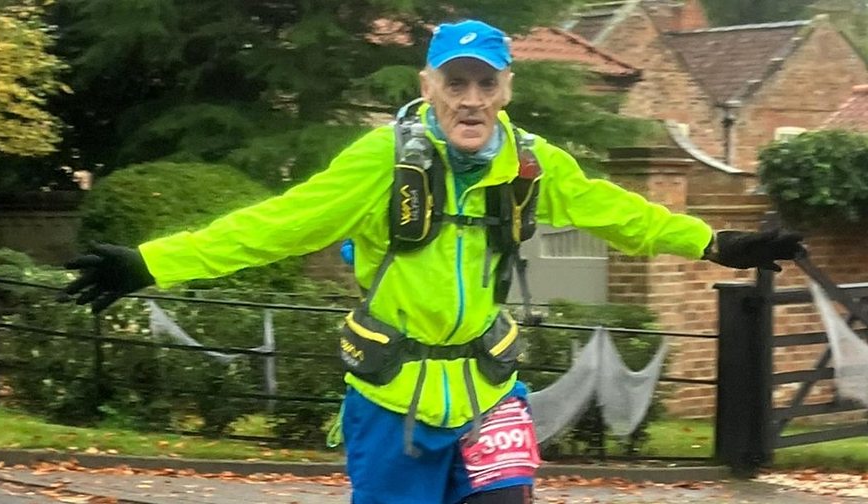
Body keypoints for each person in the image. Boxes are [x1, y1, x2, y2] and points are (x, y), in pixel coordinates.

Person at [63, 19, 803, 504]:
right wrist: (149, 264)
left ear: (507, 90)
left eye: (487, 83)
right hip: (394, 403)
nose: (472, 99)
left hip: (488, 391)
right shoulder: (379, 160)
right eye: (457, 83)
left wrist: (716, 243)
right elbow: (274, 226)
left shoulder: (528, 163)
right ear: (430, 89)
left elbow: (621, 212)